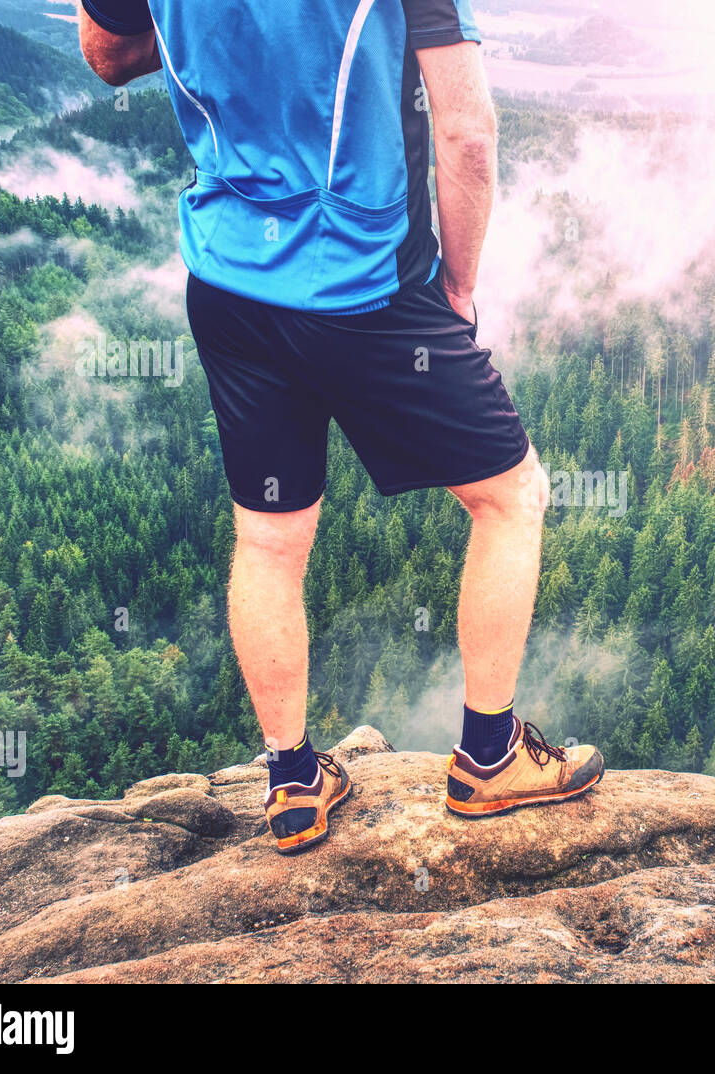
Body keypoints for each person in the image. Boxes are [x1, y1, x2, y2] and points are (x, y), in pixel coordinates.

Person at [77, 0, 603, 853]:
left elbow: (107, 52)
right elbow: (469, 131)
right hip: (366, 285)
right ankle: (489, 759)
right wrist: (458, 289)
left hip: (230, 284)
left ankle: (292, 783)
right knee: (512, 498)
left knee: (270, 541)